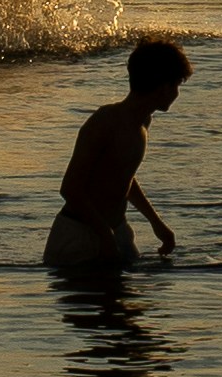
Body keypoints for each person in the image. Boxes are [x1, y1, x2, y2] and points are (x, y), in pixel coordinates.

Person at [45, 38, 192, 269]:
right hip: (79, 233)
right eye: (177, 85)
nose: (176, 93)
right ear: (164, 86)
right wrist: (104, 236)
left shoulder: (143, 121)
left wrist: (156, 223)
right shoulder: (105, 121)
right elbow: (70, 189)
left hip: (115, 230)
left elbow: (123, 177)